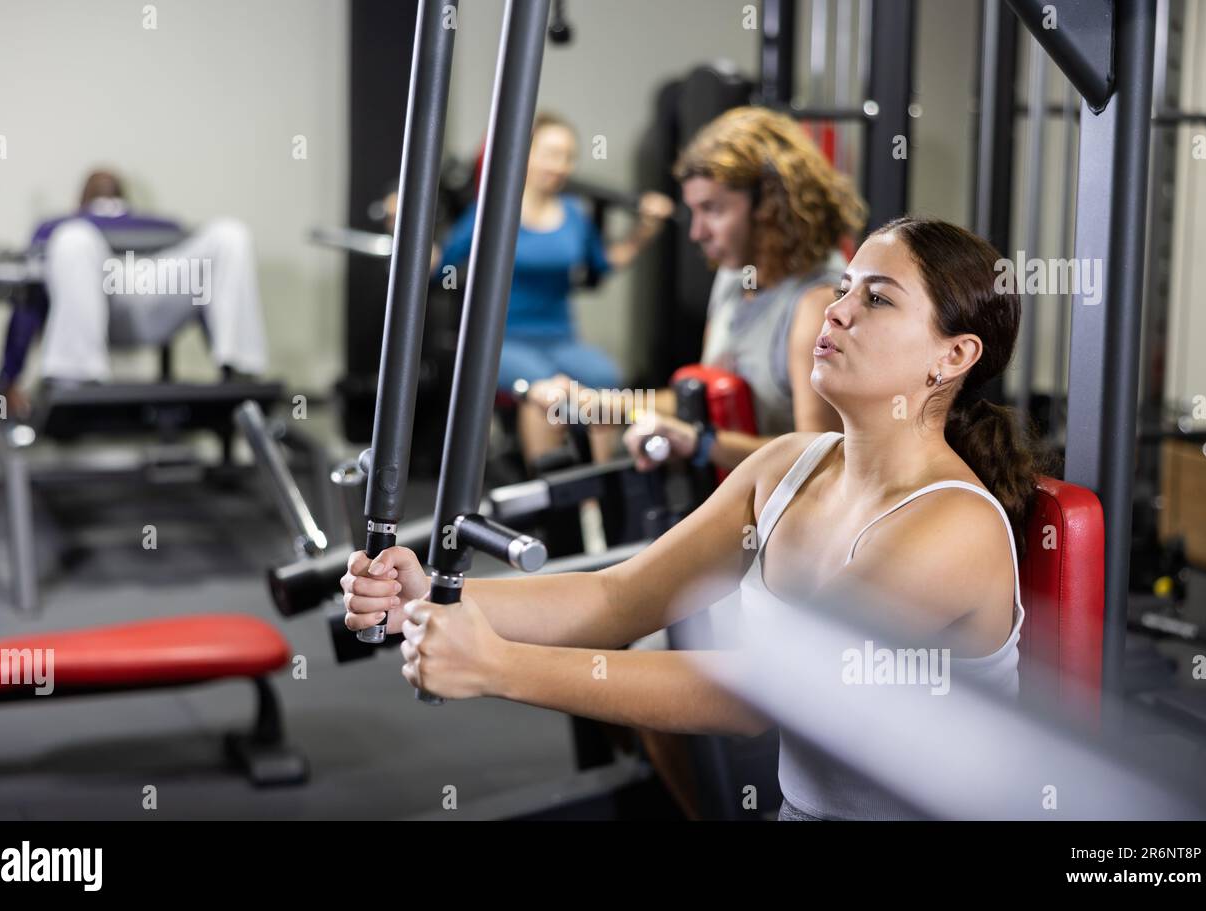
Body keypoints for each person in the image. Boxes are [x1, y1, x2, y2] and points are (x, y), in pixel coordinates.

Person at [341, 217, 1046, 821]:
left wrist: (499, 666)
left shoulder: (950, 526)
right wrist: (433, 595)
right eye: (843, 288)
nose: (836, 311)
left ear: (954, 355)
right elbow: (617, 598)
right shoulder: (787, 466)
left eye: (878, 298)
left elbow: (758, 692)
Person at [522, 106, 866, 474]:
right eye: (694, 212)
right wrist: (605, 405)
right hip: (733, 491)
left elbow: (820, 462)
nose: (697, 232)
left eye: (712, 209)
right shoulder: (735, 275)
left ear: (769, 204)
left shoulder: (816, 303)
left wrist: (701, 443)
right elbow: (701, 405)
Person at [433, 112, 674, 470]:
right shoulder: (492, 211)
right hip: (502, 341)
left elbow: (602, 263)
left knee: (604, 380)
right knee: (548, 390)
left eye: (567, 157)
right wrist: (406, 230)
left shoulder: (575, 215)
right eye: (550, 154)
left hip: (561, 338)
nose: (559, 165)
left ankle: (594, 489)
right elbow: (444, 266)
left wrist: (645, 230)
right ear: (525, 154)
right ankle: (546, 490)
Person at [0, 169, 268, 417]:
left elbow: (214, 290)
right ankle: (74, 377)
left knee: (230, 235)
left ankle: (239, 368)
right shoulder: (60, 228)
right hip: (96, 297)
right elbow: (28, 301)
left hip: (155, 285)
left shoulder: (163, 227)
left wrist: (221, 351)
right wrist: (10, 378)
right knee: (74, 239)